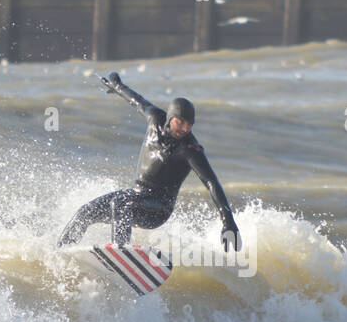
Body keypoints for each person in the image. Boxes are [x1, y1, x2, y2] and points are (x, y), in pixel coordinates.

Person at [58, 74, 241, 254]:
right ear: (170, 118)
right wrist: (117, 86)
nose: (186, 128)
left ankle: (121, 254)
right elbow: (137, 101)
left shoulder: (190, 149)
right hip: (135, 197)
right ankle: (59, 253)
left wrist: (227, 220)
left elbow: (211, 183)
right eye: (181, 122)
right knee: (85, 212)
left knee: (121, 202)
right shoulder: (155, 118)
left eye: (190, 124)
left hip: (158, 209)